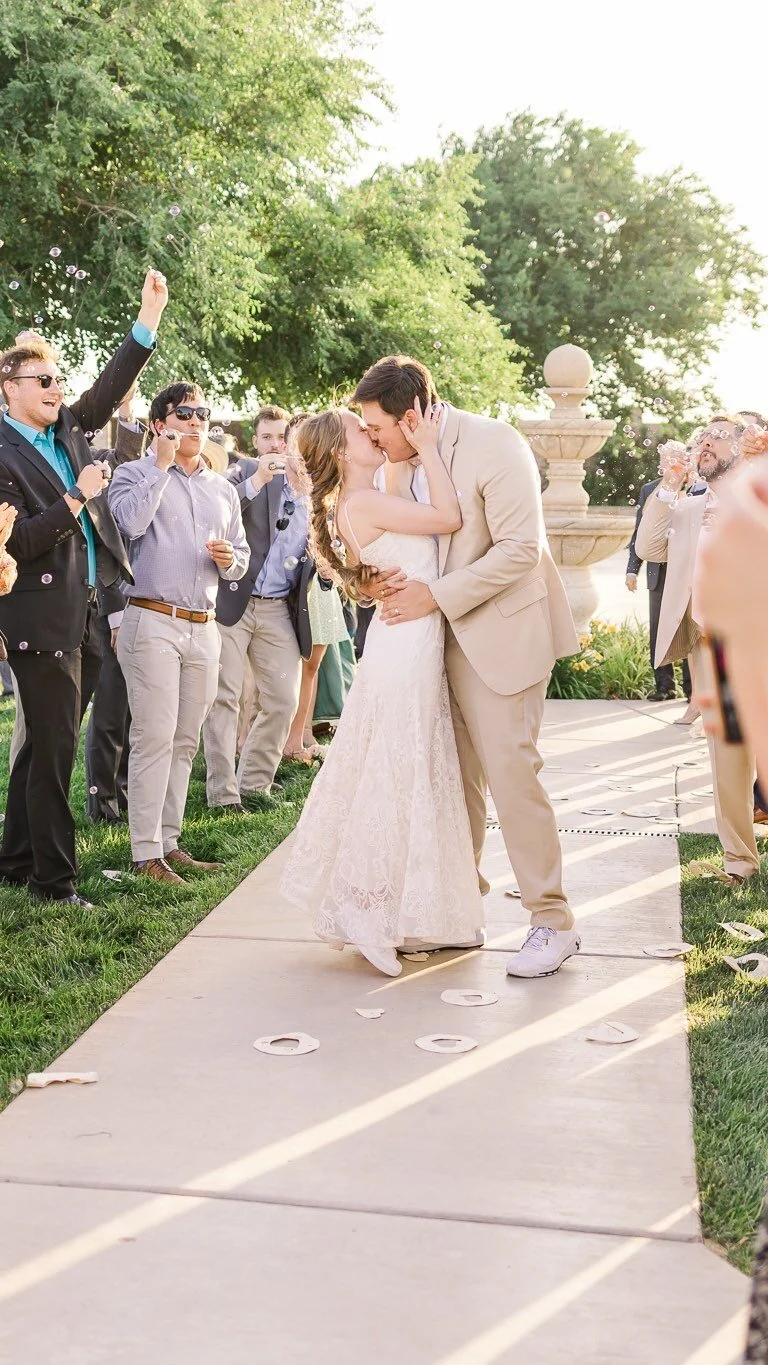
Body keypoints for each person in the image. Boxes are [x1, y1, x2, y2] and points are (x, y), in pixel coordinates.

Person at [359, 356, 580, 979]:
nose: (372, 439)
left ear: (410, 416)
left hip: (501, 636)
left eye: (377, 427)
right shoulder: (399, 463)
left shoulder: (495, 442)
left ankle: (552, 921)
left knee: (513, 779)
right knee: (450, 787)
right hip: (428, 645)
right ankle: (457, 913)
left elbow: (520, 550)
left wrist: (436, 595)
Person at [280, 404, 484, 977]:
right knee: (393, 776)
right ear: (341, 452)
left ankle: (405, 910)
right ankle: (366, 911)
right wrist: (429, 448)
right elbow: (447, 517)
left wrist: (412, 451)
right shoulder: (362, 502)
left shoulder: (369, 494)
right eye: (358, 430)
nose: (370, 432)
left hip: (409, 645)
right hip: (402, 650)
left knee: (409, 771)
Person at [0, 270, 166, 906]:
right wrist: (76, 497)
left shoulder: (67, 424)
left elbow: (112, 384)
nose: (56, 390)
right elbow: (15, 544)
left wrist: (147, 317)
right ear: (10, 389)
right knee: (56, 752)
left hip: (91, 605)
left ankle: (15, 858)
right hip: (38, 616)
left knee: (44, 740)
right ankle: (55, 881)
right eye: (43, 381)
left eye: (58, 380)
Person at [108, 382, 250, 882]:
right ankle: (145, 853)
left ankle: (169, 841)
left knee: (186, 738)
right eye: (184, 413)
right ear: (159, 424)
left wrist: (231, 563)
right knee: (155, 734)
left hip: (204, 627)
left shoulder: (223, 488)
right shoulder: (131, 473)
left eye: (202, 414)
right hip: (151, 621)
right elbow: (127, 525)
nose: (195, 422)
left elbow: (241, 555)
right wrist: (161, 467)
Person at [636, 417, 759, 883]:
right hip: (711, 646)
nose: (704, 443)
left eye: (717, 436)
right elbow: (649, 547)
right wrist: (667, 487)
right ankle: (740, 862)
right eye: (700, 438)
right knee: (727, 756)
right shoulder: (686, 508)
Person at [202, 406, 315, 810]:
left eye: (284, 437)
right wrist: (258, 479)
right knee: (224, 698)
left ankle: (254, 785)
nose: (277, 445)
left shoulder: (314, 491)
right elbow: (217, 503)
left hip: (278, 609)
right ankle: (222, 794)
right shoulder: (244, 472)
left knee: (284, 698)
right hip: (234, 601)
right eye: (268, 437)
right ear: (256, 441)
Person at [84, 390, 147, 823]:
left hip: (132, 601)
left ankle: (123, 792)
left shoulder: (118, 468)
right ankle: (101, 801)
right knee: (108, 711)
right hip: (99, 603)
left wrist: (127, 411)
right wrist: (115, 612)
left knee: (128, 708)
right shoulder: (79, 460)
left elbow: (126, 455)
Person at [282, 413, 350, 763]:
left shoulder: (326, 487)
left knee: (312, 666)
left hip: (320, 588)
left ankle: (302, 733)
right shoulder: (279, 489)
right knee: (291, 666)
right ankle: (285, 737)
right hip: (291, 591)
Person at [626, 472, 693, 708]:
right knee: (658, 629)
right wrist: (632, 569)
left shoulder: (694, 485)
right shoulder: (650, 490)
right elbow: (640, 530)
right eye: (666, 458)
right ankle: (664, 687)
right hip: (658, 571)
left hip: (684, 569)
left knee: (687, 628)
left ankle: (692, 689)